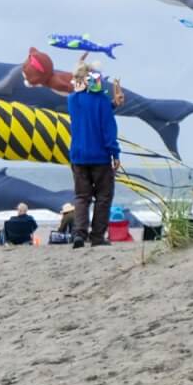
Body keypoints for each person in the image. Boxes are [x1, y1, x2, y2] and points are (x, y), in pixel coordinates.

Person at [67, 62, 119, 247]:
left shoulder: (72, 100)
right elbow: (108, 129)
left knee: (82, 197)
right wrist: (115, 154)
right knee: (103, 197)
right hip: (100, 156)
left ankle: (79, 233)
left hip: (78, 155)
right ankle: (97, 236)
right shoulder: (101, 101)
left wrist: (112, 105)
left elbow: (86, 115)